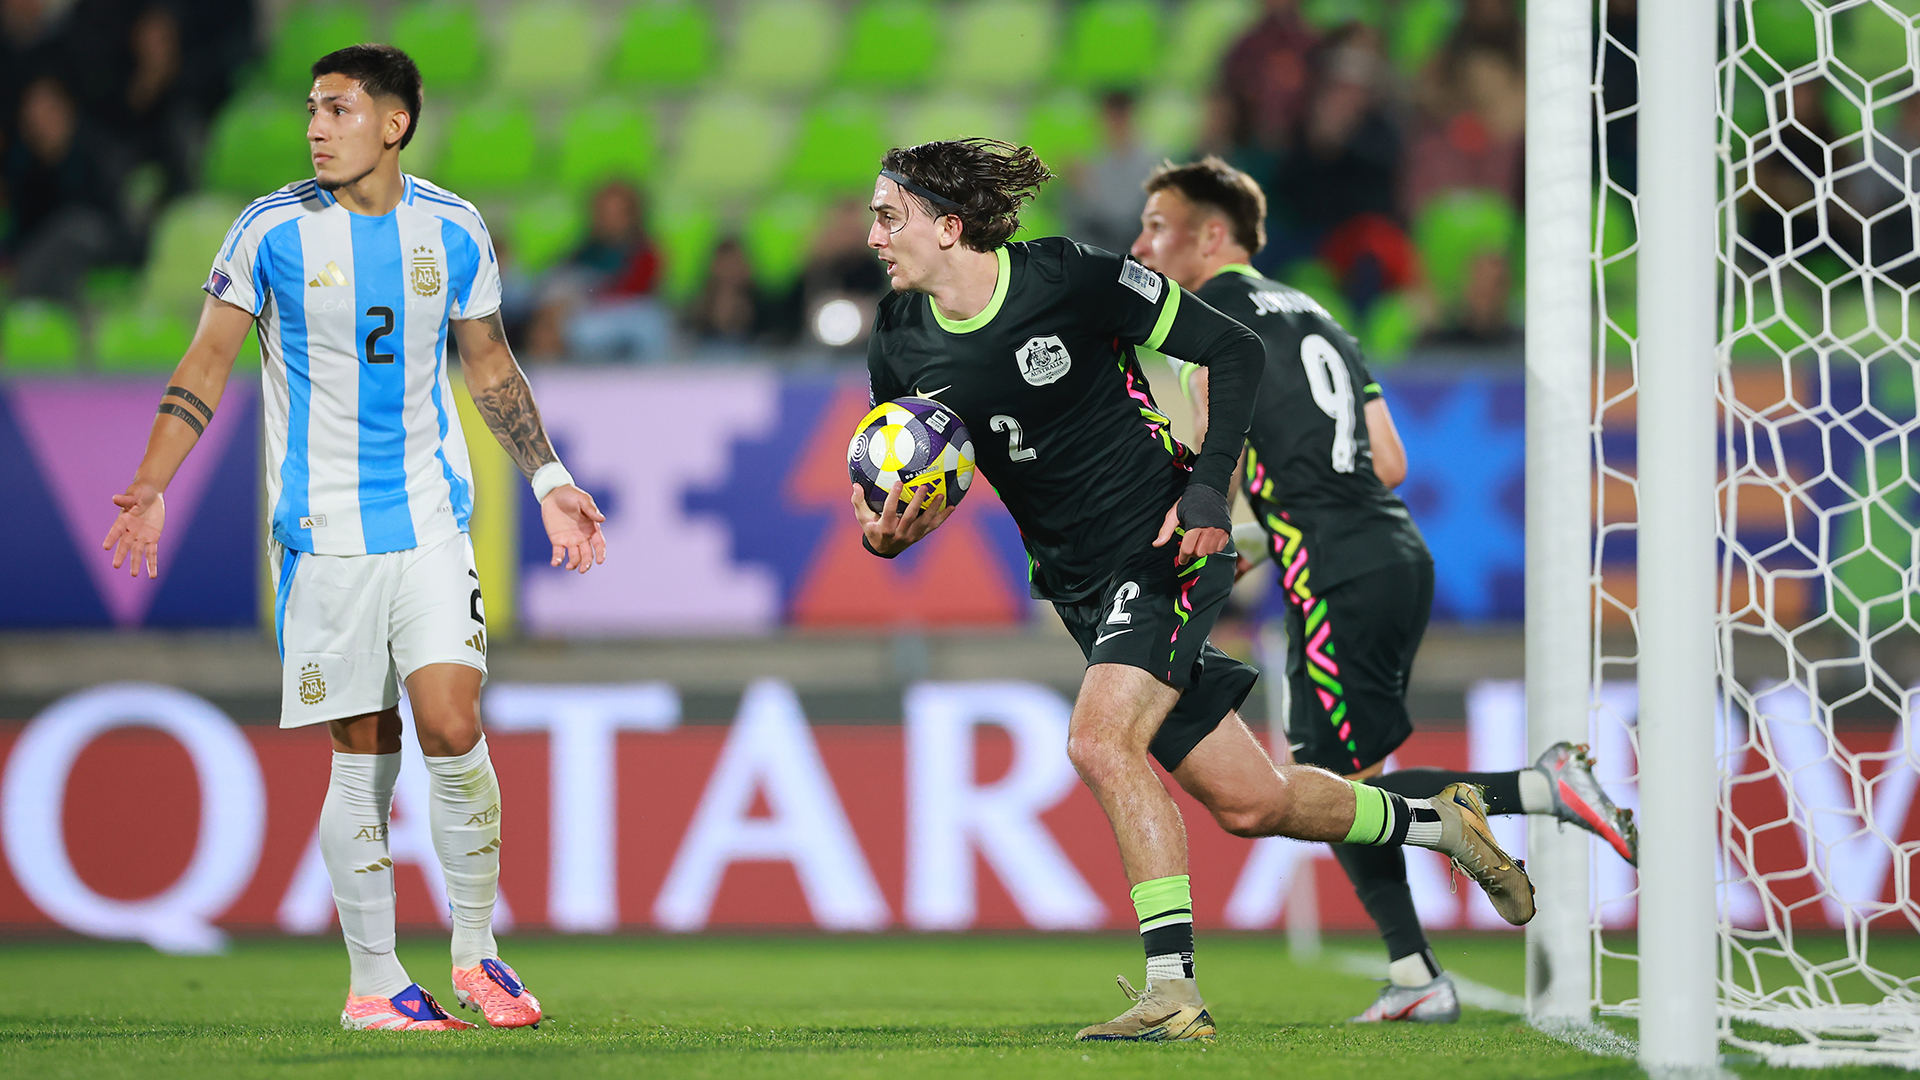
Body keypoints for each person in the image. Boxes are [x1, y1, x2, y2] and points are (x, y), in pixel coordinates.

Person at [856, 137, 1534, 1043]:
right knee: (1253, 802)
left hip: (1164, 542)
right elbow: (924, 478)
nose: (872, 236)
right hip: (1078, 583)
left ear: (949, 226)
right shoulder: (898, 340)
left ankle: (1173, 991)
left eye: (887, 215)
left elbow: (1233, 348)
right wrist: (887, 536)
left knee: (1100, 743)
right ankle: (1441, 824)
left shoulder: (1069, 277)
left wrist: (1209, 491)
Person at [100, 44, 606, 1033]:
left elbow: (491, 368)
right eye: (311, 110)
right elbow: (207, 360)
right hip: (322, 534)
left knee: (454, 722)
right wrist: (153, 482)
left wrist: (549, 479)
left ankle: (477, 954)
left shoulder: (454, 229)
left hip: (429, 519)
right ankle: (374, 982)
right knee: (363, 753)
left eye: (336, 109)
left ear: (394, 121)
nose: (316, 128)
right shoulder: (270, 232)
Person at [1130, 156, 1638, 1024]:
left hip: (1331, 567)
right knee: (1345, 781)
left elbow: (1208, 456)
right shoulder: (1323, 316)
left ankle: (1545, 791)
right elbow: (1390, 461)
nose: (1141, 244)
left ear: (1211, 236)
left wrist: (1236, 539)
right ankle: (1414, 971)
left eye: (1157, 227)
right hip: (1394, 553)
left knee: (1323, 791)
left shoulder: (1208, 324)